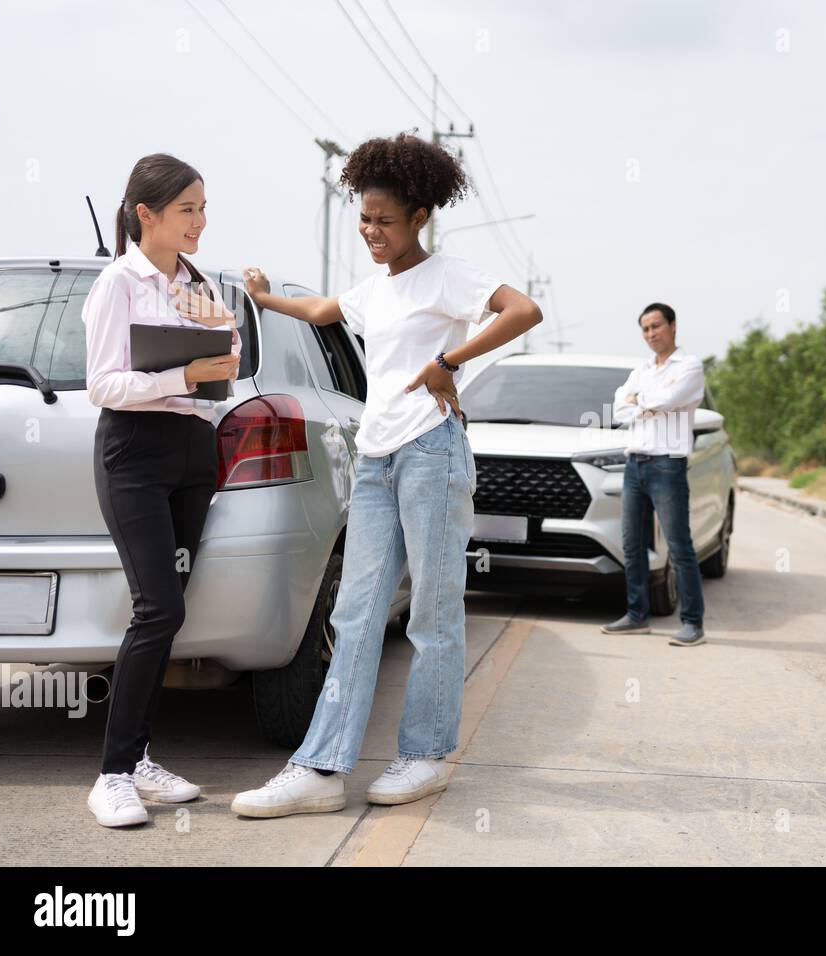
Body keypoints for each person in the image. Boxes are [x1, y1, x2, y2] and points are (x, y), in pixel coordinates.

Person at [230, 132, 542, 818]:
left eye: (386, 222)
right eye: (365, 219)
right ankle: (320, 768)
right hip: (375, 460)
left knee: (431, 611)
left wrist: (451, 362)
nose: (372, 232)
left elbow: (523, 310)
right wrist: (260, 295)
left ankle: (425, 755)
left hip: (432, 451)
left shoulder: (449, 274)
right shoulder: (376, 287)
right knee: (355, 611)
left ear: (420, 217)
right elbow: (321, 311)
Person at [82, 153, 242, 827]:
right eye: (188, 209)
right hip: (135, 451)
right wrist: (183, 377)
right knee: (157, 609)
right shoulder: (118, 282)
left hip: (192, 451)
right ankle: (114, 774)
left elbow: (227, 357)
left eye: (204, 207)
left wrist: (218, 337)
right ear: (146, 214)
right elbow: (103, 385)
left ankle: (140, 757)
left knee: (171, 611)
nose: (201, 220)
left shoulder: (194, 278)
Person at [602, 303, 707, 647]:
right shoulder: (641, 369)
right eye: (645, 329)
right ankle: (637, 616)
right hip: (635, 464)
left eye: (656, 326)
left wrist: (641, 400)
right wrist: (643, 401)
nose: (651, 334)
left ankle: (692, 624)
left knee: (679, 546)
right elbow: (620, 408)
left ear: (673, 326)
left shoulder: (690, 366)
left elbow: (672, 398)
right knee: (632, 545)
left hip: (667, 464)